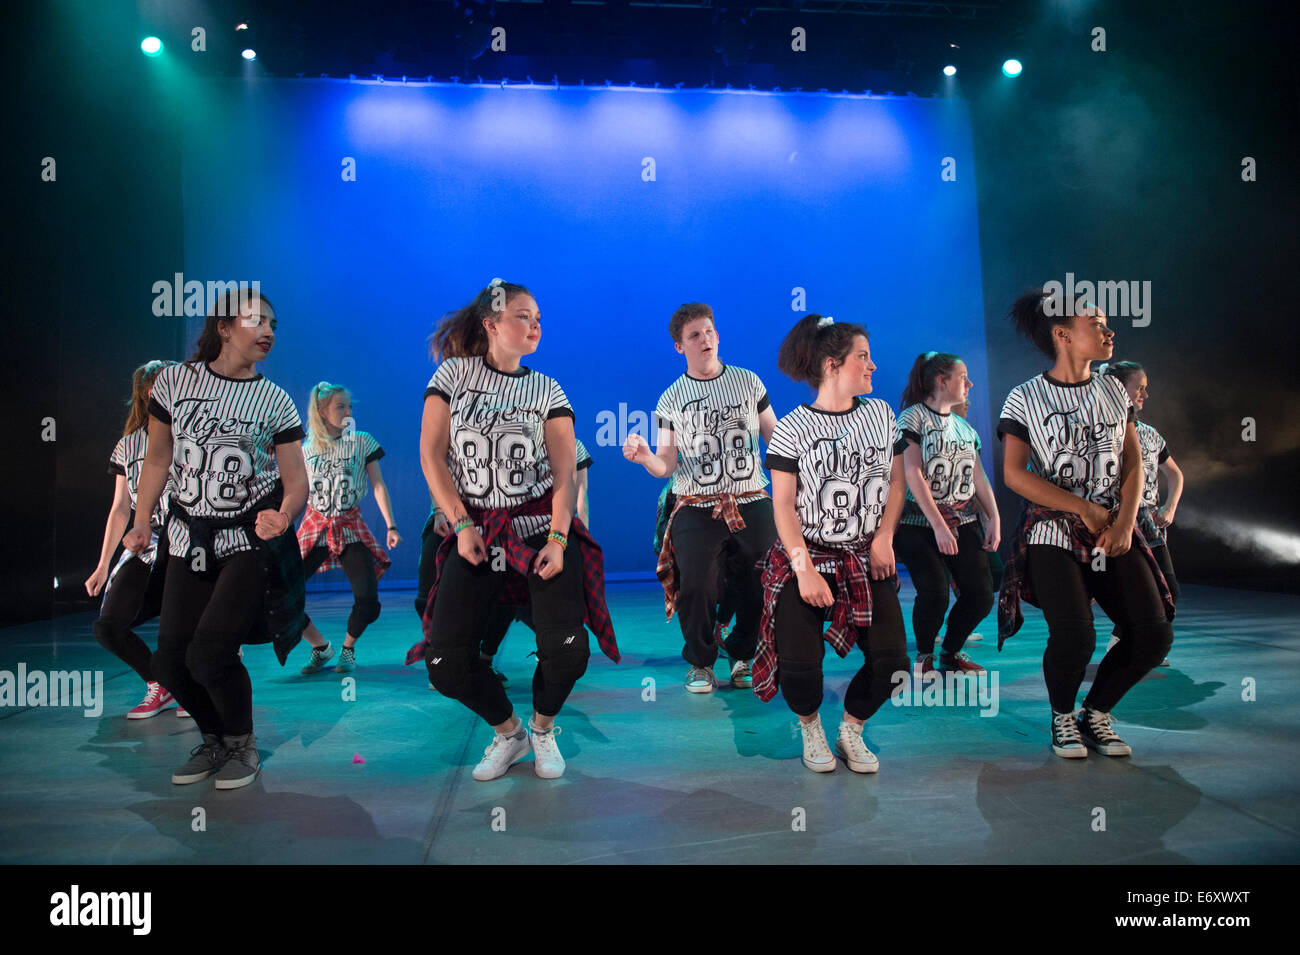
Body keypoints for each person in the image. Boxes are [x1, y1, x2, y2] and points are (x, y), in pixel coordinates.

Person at [406, 280, 618, 781]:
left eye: (539, 318)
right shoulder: (453, 376)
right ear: (492, 323)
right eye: (524, 316)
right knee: (445, 664)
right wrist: (459, 524)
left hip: (539, 533)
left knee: (567, 651)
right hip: (475, 536)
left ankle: (542, 729)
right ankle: (510, 734)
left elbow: (566, 475)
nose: (535, 325)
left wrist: (560, 540)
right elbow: (431, 456)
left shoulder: (548, 389)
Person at [124, 288, 309, 790]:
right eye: (256, 321)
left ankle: (242, 744)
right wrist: (141, 521)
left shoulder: (275, 400)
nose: (268, 331)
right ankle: (213, 738)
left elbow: (297, 481)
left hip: (245, 541)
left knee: (210, 653)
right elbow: (158, 459)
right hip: (187, 538)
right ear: (224, 327)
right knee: (168, 659)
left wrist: (284, 514)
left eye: (274, 323)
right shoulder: (175, 384)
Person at [996, 289, 1175, 759]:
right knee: (1076, 633)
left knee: (1153, 632)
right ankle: (1062, 717)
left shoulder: (1114, 389)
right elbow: (1015, 474)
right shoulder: (1025, 397)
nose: (1108, 331)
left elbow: (1137, 463)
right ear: (1063, 335)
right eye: (1096, 323)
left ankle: (1095, 712)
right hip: (1054, 529)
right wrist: (1083, 509)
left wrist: (1122, 522)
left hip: (1113, 523)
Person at [754, 314, 910, 774]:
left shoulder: (881, 415)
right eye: (863, 357)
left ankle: (850, 729)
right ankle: (810, 726)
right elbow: (782, 507)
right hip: (808, 555)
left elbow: (897, 482)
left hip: (865, 555)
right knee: (801, 670)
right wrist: (803, 570)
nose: (873, 366)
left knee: (893, 664)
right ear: (833, 364)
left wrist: (884, 538)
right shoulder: (793, 427)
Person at [623, 303, 777, 693]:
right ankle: (701, 662)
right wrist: (645, 458)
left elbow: (774, 440)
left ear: (718, 336)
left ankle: (743, 654)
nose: (705, 339)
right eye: (694, 335)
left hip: (751, 497)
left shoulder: (748, 382)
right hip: (696, 503)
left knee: (761, 580)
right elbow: (667, 464)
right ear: (679, 347)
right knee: (696, 585)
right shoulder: (670, 399)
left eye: (709, 331)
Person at [415, 438, 594, 688]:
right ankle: (450, 656)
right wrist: (439, 511)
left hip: (532, 535)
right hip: (472, 525)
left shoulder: (571, 445)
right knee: (436, 595)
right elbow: (436, 463)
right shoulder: (485, 432)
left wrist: (573, 543)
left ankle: (488, 658)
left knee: (515, 600)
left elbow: (579, 496)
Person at [85, 360, 187, 718]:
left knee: (186, 621)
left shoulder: (193, 434)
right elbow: (119, 508)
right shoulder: (129, 445)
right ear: (151, 393)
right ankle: (161, 684)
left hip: (188, 545)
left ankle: (199, 679)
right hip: (147, 546)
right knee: (108, 627)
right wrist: (103, 565)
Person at [893, 352, 999, 677]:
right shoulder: (911, 419)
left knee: (981, 594)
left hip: (961, 520)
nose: (970, 383)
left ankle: (951, 652)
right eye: (962, 377)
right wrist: (938, 525)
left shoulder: (965, 429)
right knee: (935, 591)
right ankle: (925, 653)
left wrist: (993, 516)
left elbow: (978, 476)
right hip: (917, 523)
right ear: (942, 380)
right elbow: (913, 473)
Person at [295, 382, 399, 674]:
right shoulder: (305, 449)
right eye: (341, 406)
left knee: (368, 599)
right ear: (321, 411)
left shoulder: (361, 441)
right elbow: (296, 493)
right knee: (281, 594)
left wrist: (391, 525)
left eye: (350, 406)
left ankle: (348, 648)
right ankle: (320, 647)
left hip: (349, 526)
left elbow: (378, 485)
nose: (348, 411)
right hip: (315, 527)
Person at [1102, 361, 1184, 666]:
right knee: (1126, 589)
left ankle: (1129, 641)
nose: (1145, 394)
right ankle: (1125, 644)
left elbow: (1176, 475)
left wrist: (1170, 507)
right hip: (1116, 520)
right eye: (1140, 387)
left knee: (1169, 589)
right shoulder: (1101, 430)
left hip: (1149, 523)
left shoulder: (1149, 434)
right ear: (1119, 389)